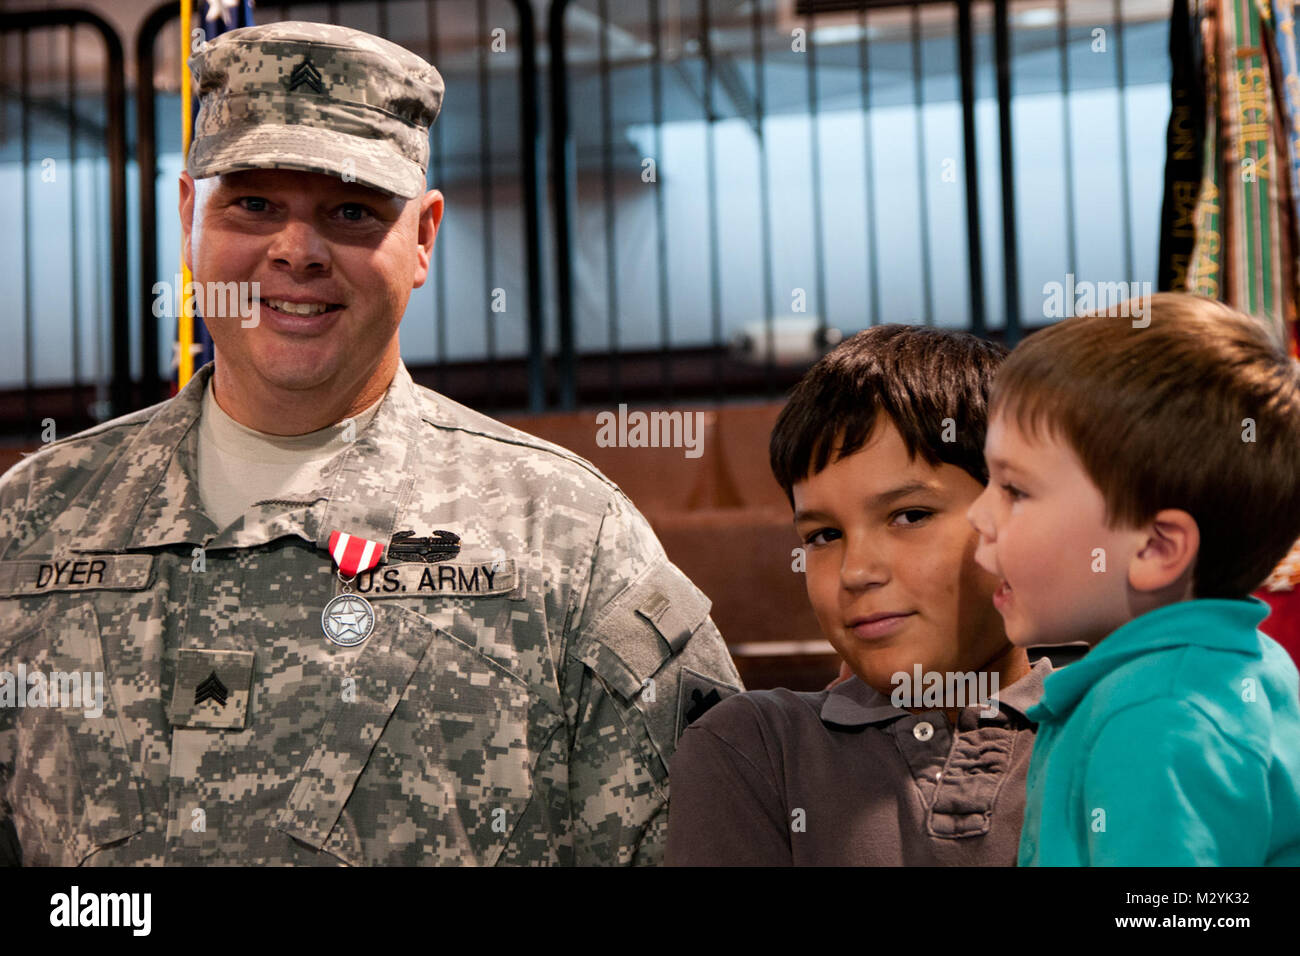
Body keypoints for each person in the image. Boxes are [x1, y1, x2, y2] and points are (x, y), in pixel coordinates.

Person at [0, 21, 740, 866]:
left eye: (351, 211)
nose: (297, 251)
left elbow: (714, 833)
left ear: (422, 237)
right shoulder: (33, 522)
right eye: (253, 203)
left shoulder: (569, 540)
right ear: (187, 216)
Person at [666, 325, 1053, 865]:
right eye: (823, 535)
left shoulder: (1116, 732)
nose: (856, 571)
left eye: (910, 515)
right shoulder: (758, 750)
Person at [966, 292, 1300, 865]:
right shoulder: (1249, 664)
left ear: (1155, 548)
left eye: (1015, 489)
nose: (978, 515)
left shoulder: (1155, 717)